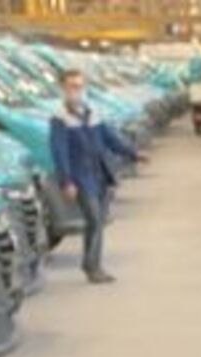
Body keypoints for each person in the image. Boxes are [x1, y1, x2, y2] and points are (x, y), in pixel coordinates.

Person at [49, 68, 137, 285]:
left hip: (99, 174)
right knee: (95, 219)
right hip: (80, 177)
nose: (77, 91)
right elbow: (59, 151)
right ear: (63, 88)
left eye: (80, 86)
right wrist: (67, 181)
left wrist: (132, 153)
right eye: (72, 87)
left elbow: (109, 138)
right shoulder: (60, 118)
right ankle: (93, 267)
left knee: (96, 222)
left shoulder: (91, 112)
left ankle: (91, 265)